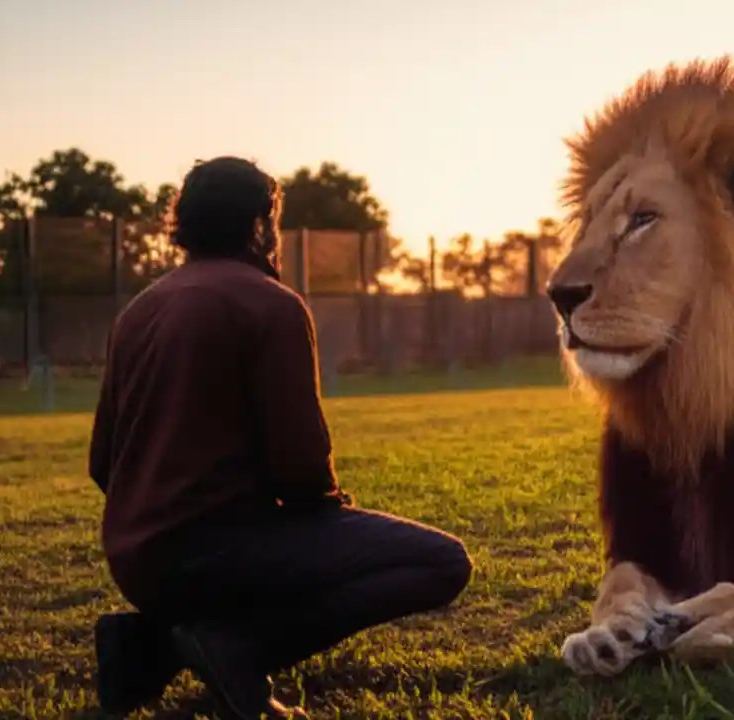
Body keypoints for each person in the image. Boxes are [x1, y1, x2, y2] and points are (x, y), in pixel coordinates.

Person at [87, 157, 473, 719]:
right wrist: (331, 519)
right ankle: (240, 648)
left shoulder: (138, 311)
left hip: (137, 561)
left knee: (309, 551)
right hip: (221, 552)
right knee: (441, 562)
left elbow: (103, 462)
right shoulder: (270, 305)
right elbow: (299, 469)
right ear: (260, 226)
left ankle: (148, 648)